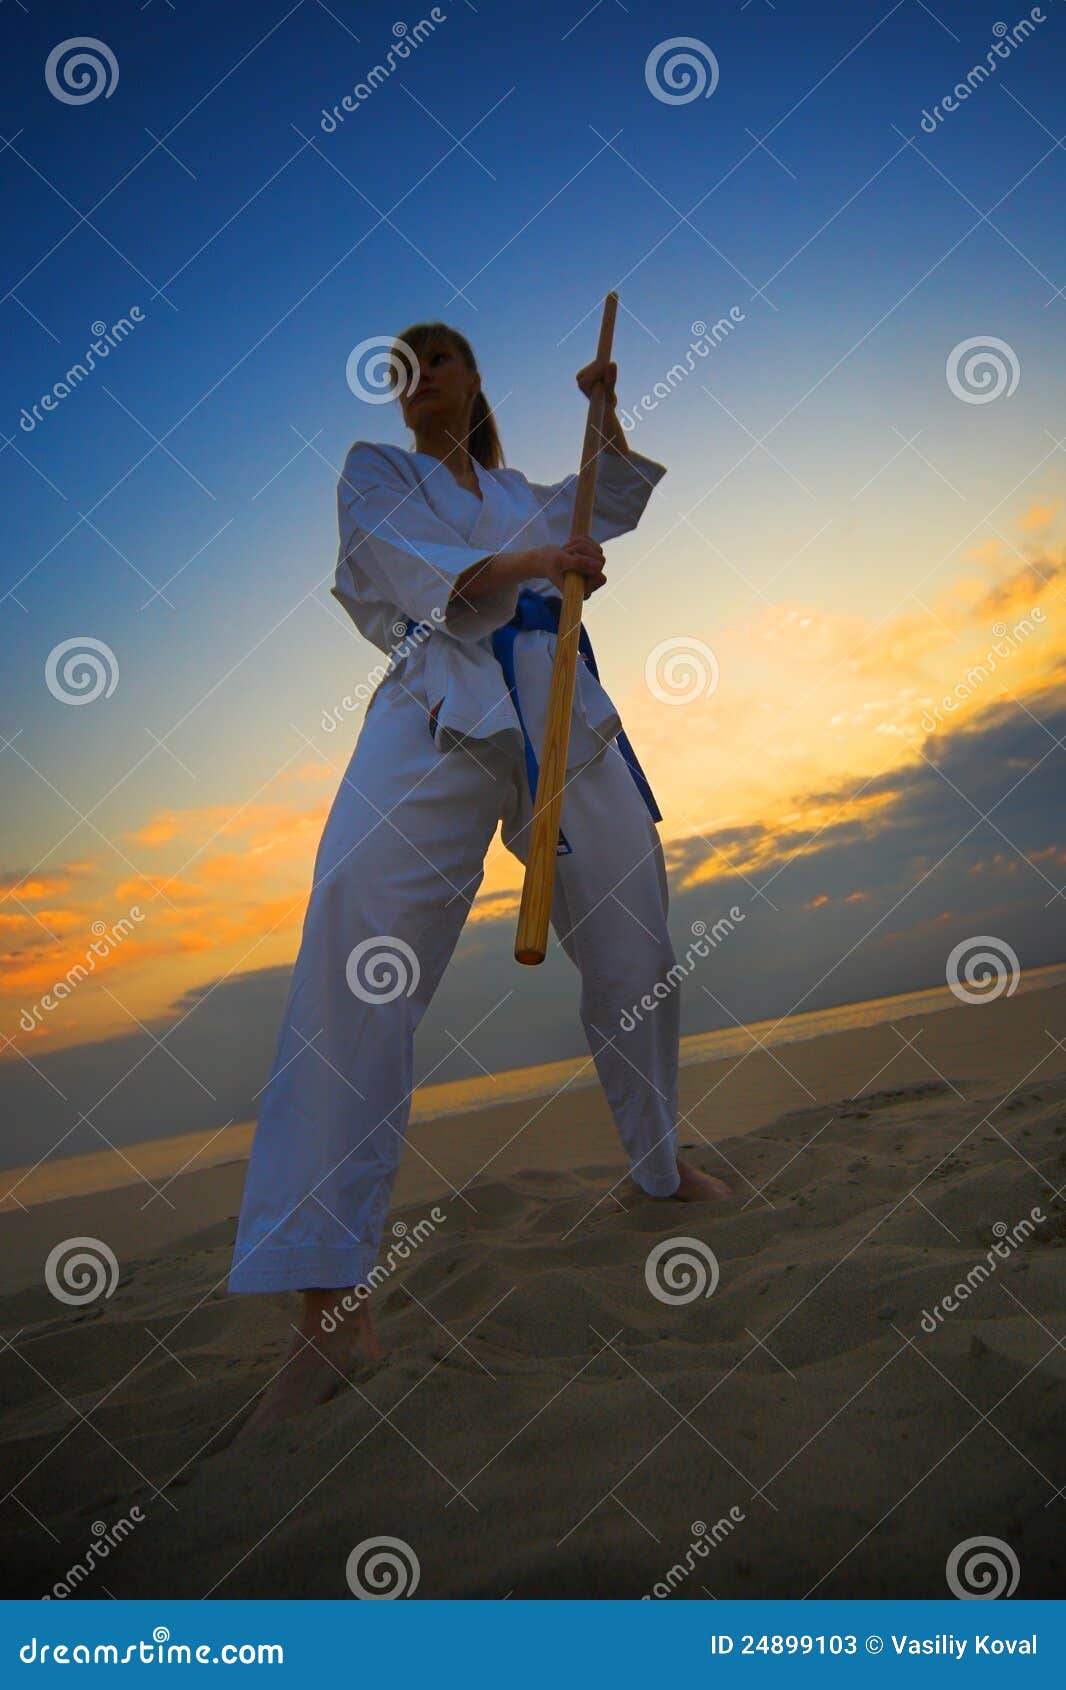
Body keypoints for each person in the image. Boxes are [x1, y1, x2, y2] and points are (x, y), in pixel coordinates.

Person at [229, 321, 729, 1431]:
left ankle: (657, 1167)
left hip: (564, 706)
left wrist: (604, 412)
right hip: (436, 702)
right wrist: (531, 566)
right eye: (400, 369)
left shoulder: (525, 494)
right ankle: (332, 1305)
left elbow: (608, 501)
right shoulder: (377, 471)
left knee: (637, 944)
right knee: (355, 934)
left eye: (438, 359)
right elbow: (389, 563)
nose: (419, 378)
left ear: (475, 378)